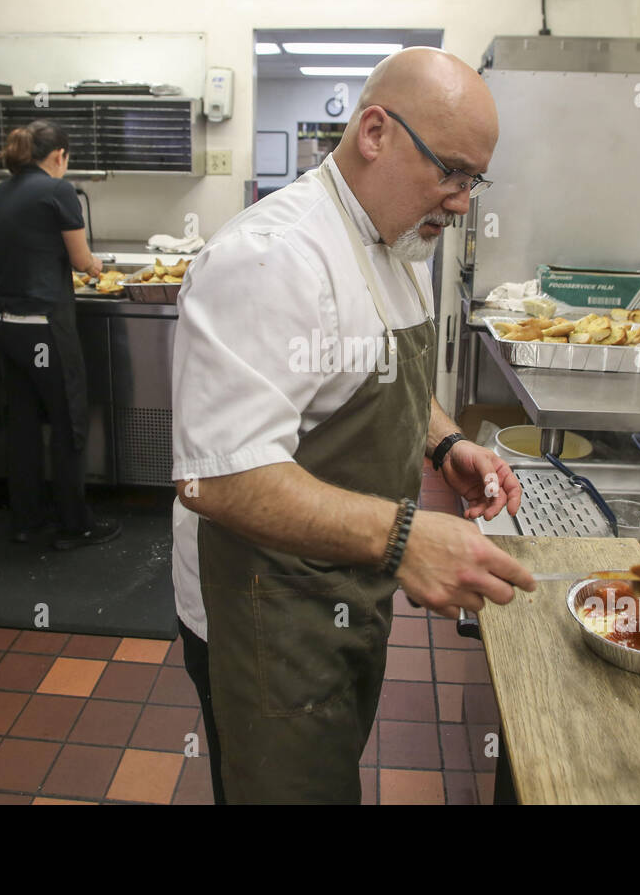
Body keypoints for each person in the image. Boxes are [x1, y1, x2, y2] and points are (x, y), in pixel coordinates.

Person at [171, 47, 536, 804]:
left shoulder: (399, 240)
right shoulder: (271, 260)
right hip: (265, 615)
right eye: (453, 172)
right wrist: (405, 538)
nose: (463, 201)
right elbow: (220, 477)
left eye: (475, 179)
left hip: (343, 588)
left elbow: (375, 373)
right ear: (375, 132)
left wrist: (444, 441)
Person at [0, 120, 119, 550]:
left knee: (21, 427)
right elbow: (81, 261)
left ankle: (26, 521)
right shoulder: (58, 191)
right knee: (67, 424)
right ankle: (74, 524)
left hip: (3, 326)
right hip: (44, 328)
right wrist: (98, 266)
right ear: (59, 155)